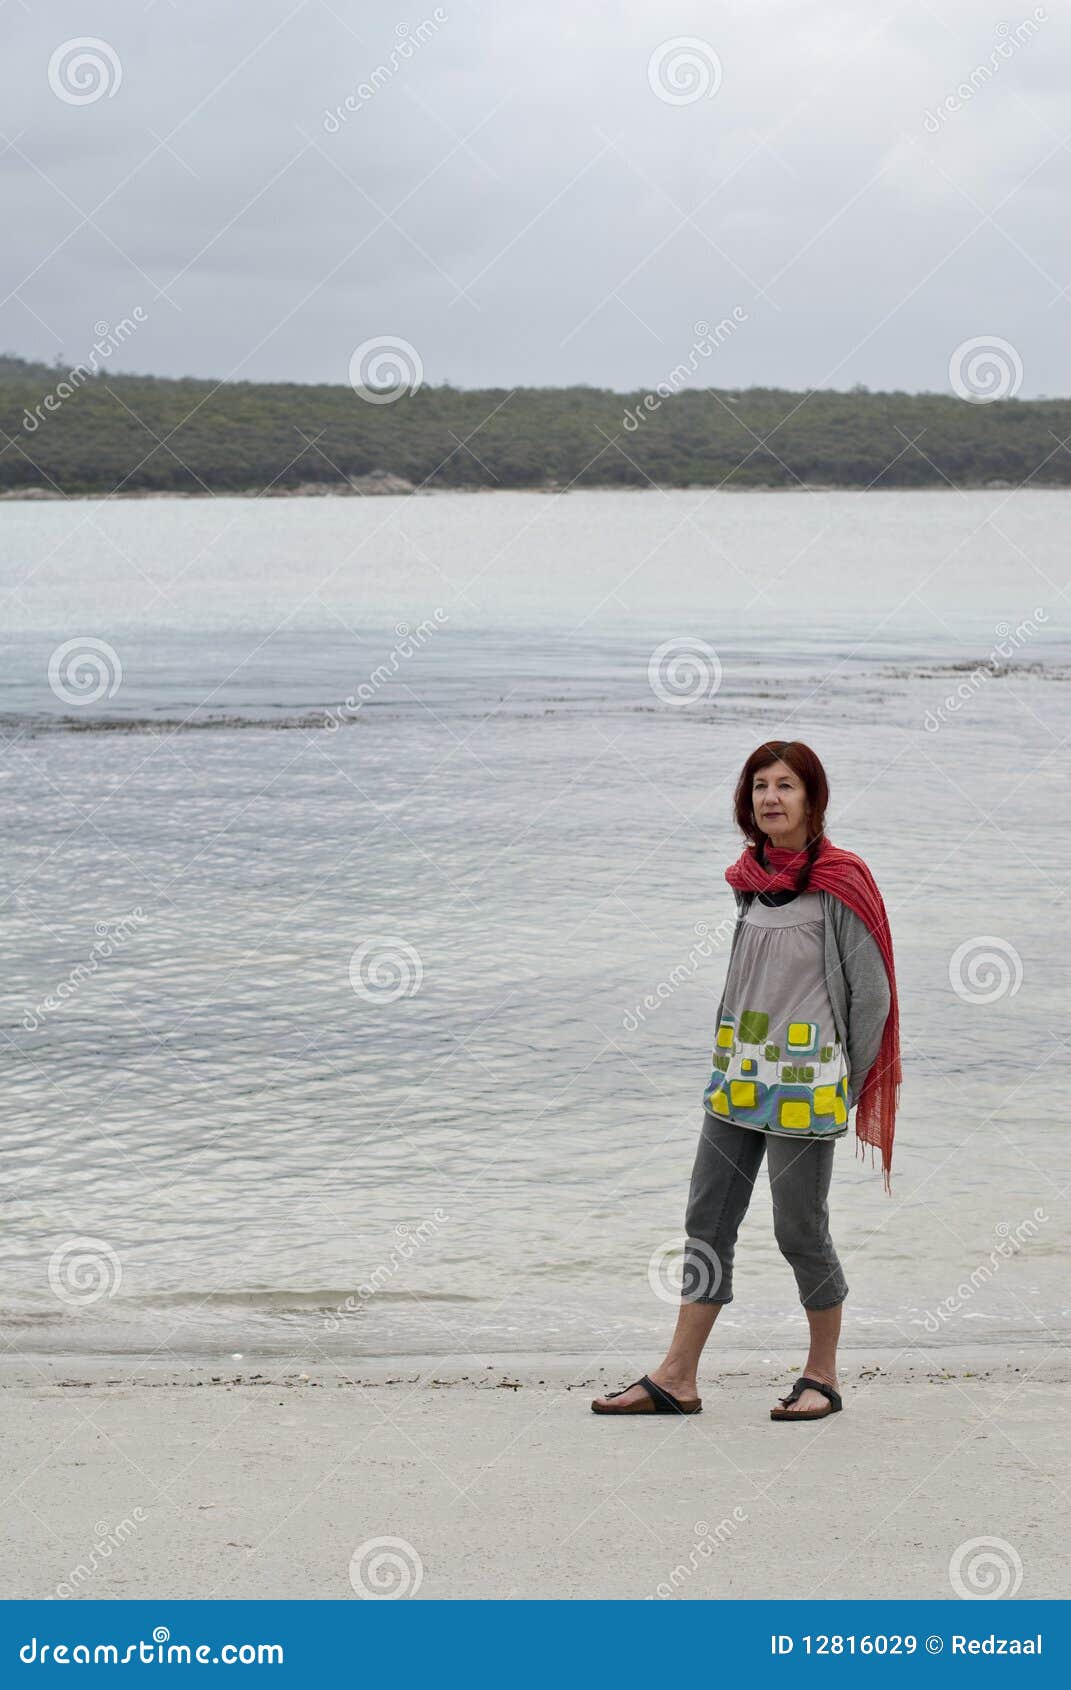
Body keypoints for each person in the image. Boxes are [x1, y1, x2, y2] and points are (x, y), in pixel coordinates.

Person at [592, 740, 901, 1423]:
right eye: (760, 785)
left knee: (799, 1229)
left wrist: (843, 1085)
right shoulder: (749, 881)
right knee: (706, 1220)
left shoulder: (842, 882)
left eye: (785, 785)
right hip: (736, 1079)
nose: (770, 797)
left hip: (805, 1086)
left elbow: (871, 997)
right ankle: (677, 1377)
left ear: (812, 798)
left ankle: (821, 1376)